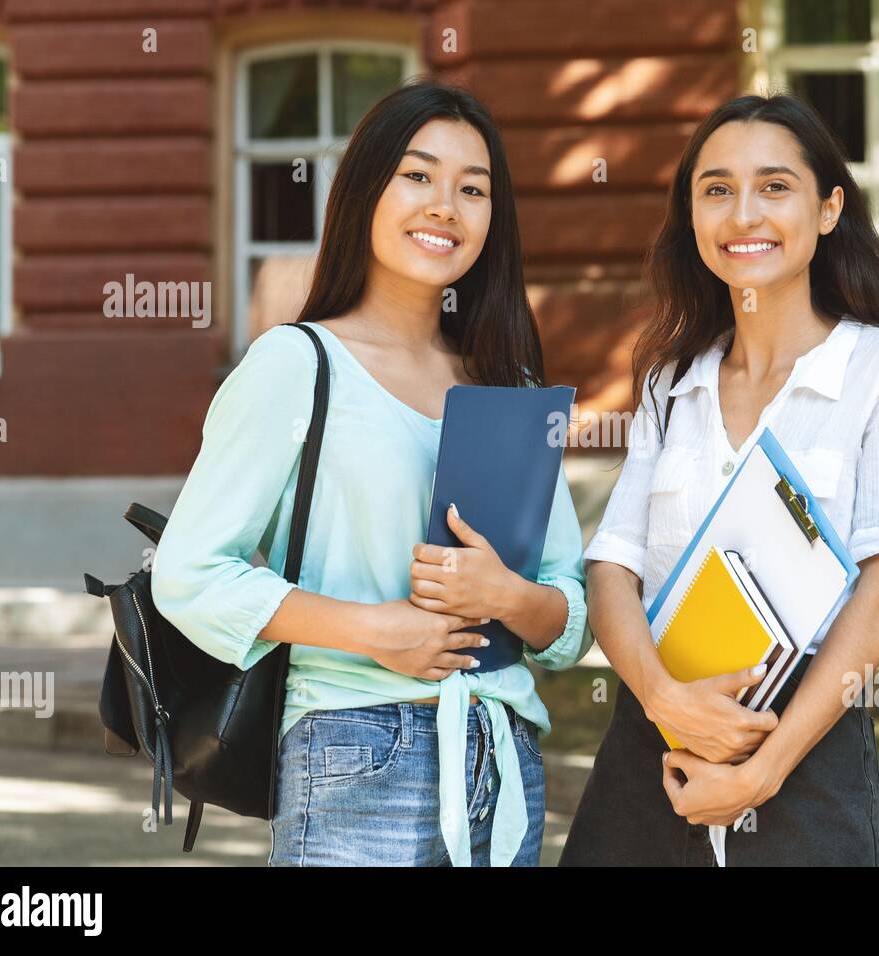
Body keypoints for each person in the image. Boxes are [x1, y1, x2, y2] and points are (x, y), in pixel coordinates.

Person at [151, 80, 590, 867]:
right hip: (357, 747)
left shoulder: (514, 391)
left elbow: (569, 621)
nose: (445, 207)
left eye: (473, 189)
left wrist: (509, 597)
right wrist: (374, 630)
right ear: (365, 192)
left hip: (502, 755)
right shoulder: (298, 365)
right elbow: (188, 575)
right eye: (417, 176)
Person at [560, 93, 879, 866]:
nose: (744, 214)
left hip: (802, 746)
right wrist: (663, 699)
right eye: (716, 190)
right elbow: (613, 567)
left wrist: (765, 771)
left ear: (829, 208)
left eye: (775, 187)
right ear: (692, 217)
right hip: (653, 739)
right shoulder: (670, 381)